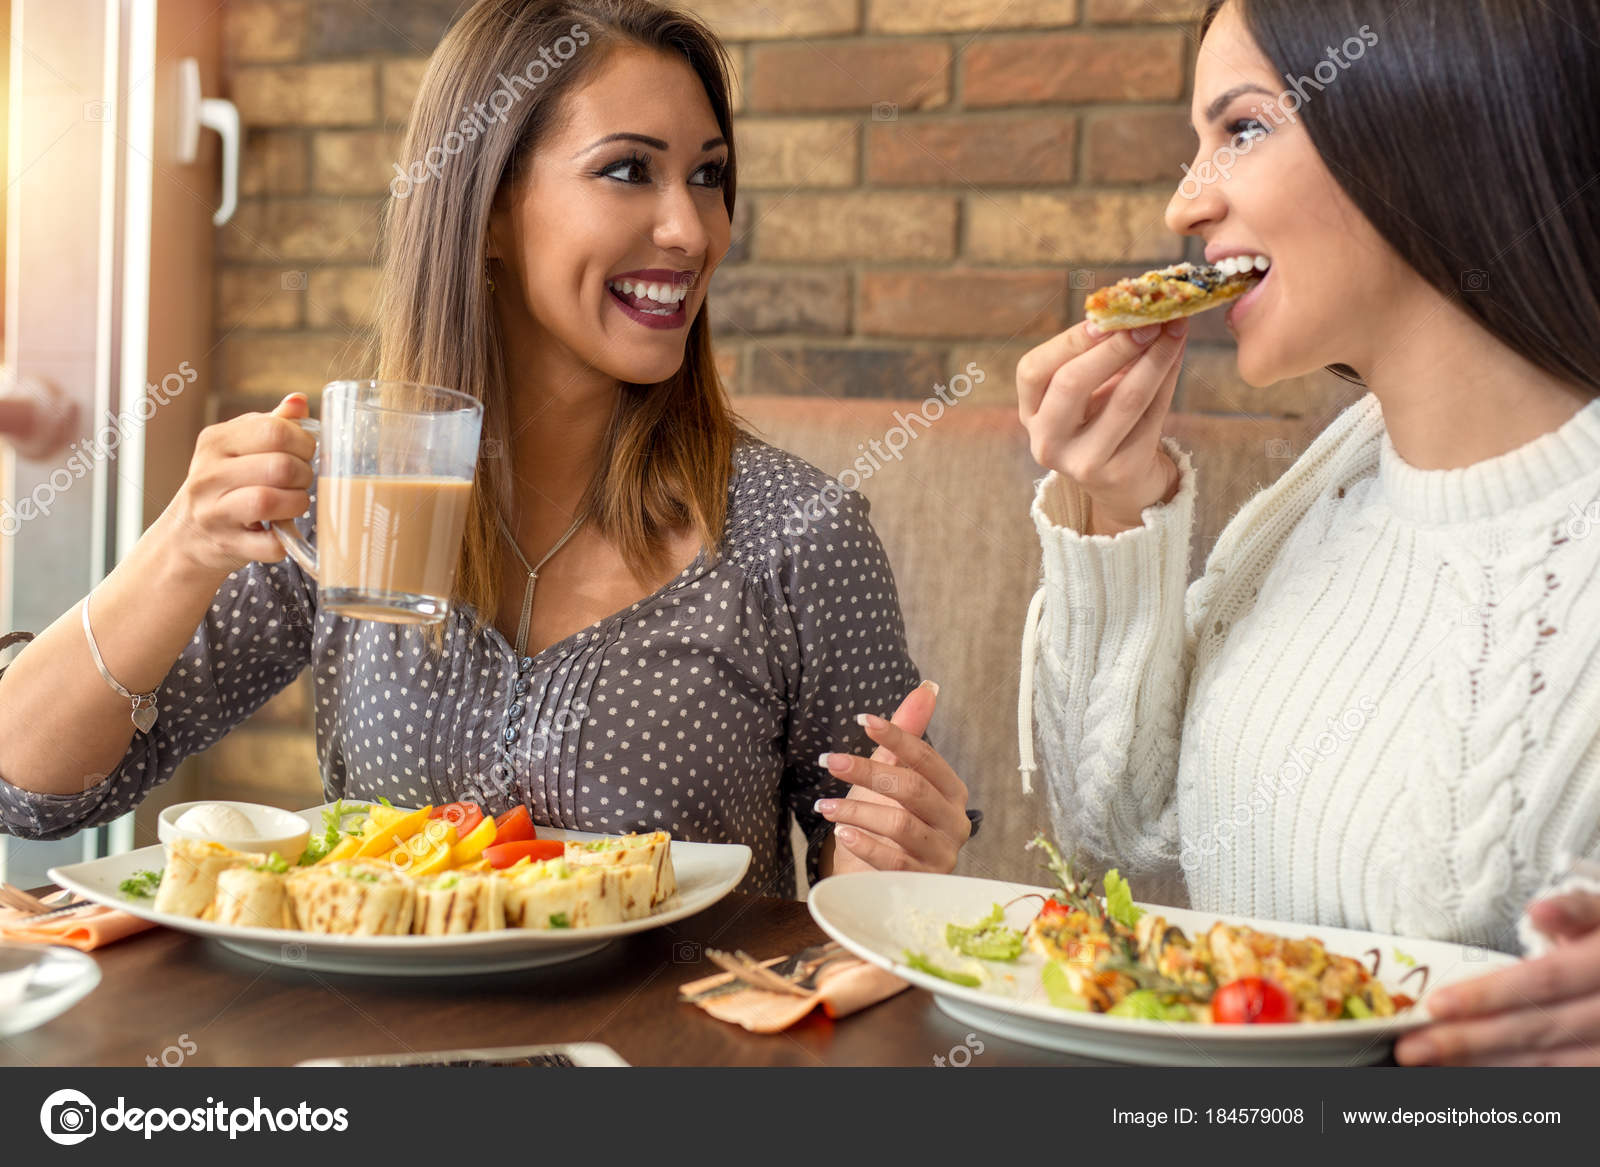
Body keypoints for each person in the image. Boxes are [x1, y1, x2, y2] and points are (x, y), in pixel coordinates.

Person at [0, 0, 975, 897]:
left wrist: (896, 849)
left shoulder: (795, 532)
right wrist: (178, 549)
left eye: (709, 176)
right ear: (491, 207)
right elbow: (35, 790)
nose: (692, 229)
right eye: (629, 170)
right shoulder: (355, 497)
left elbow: (859, 882)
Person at [1016, 0, 1600, 1064]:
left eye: (1239, 129)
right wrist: (1116, 505)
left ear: (1425, 115)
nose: (1183, 203)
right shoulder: (1329, 486)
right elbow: (1121, 831)